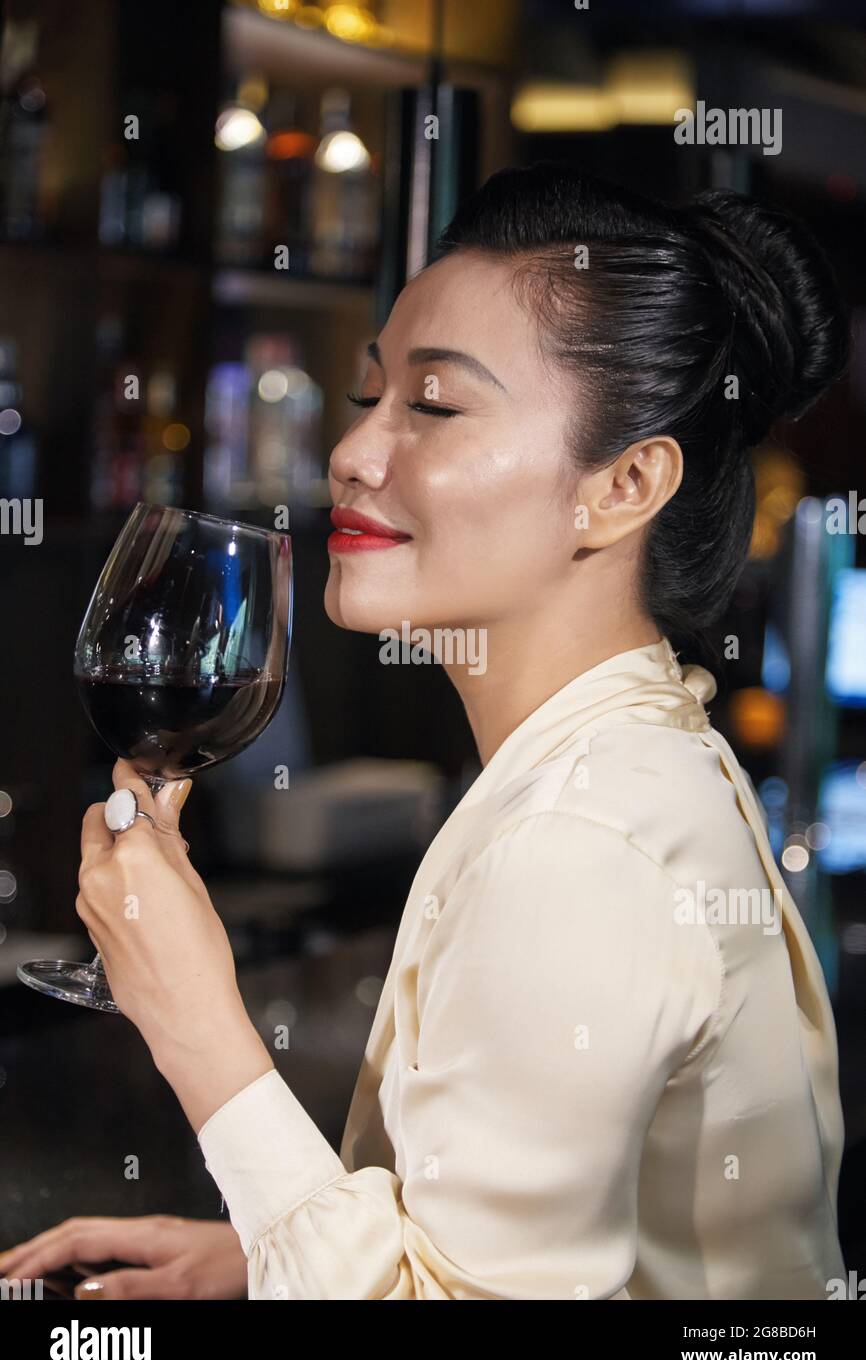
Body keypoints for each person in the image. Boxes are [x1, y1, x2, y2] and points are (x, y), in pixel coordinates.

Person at [0, 162, 849, 1300]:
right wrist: (263, 1254)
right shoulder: (623, 752)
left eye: (434, 406)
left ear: (623, 484)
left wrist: (193, 1017)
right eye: (369, 398)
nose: (353, 451)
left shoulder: (577, 841)